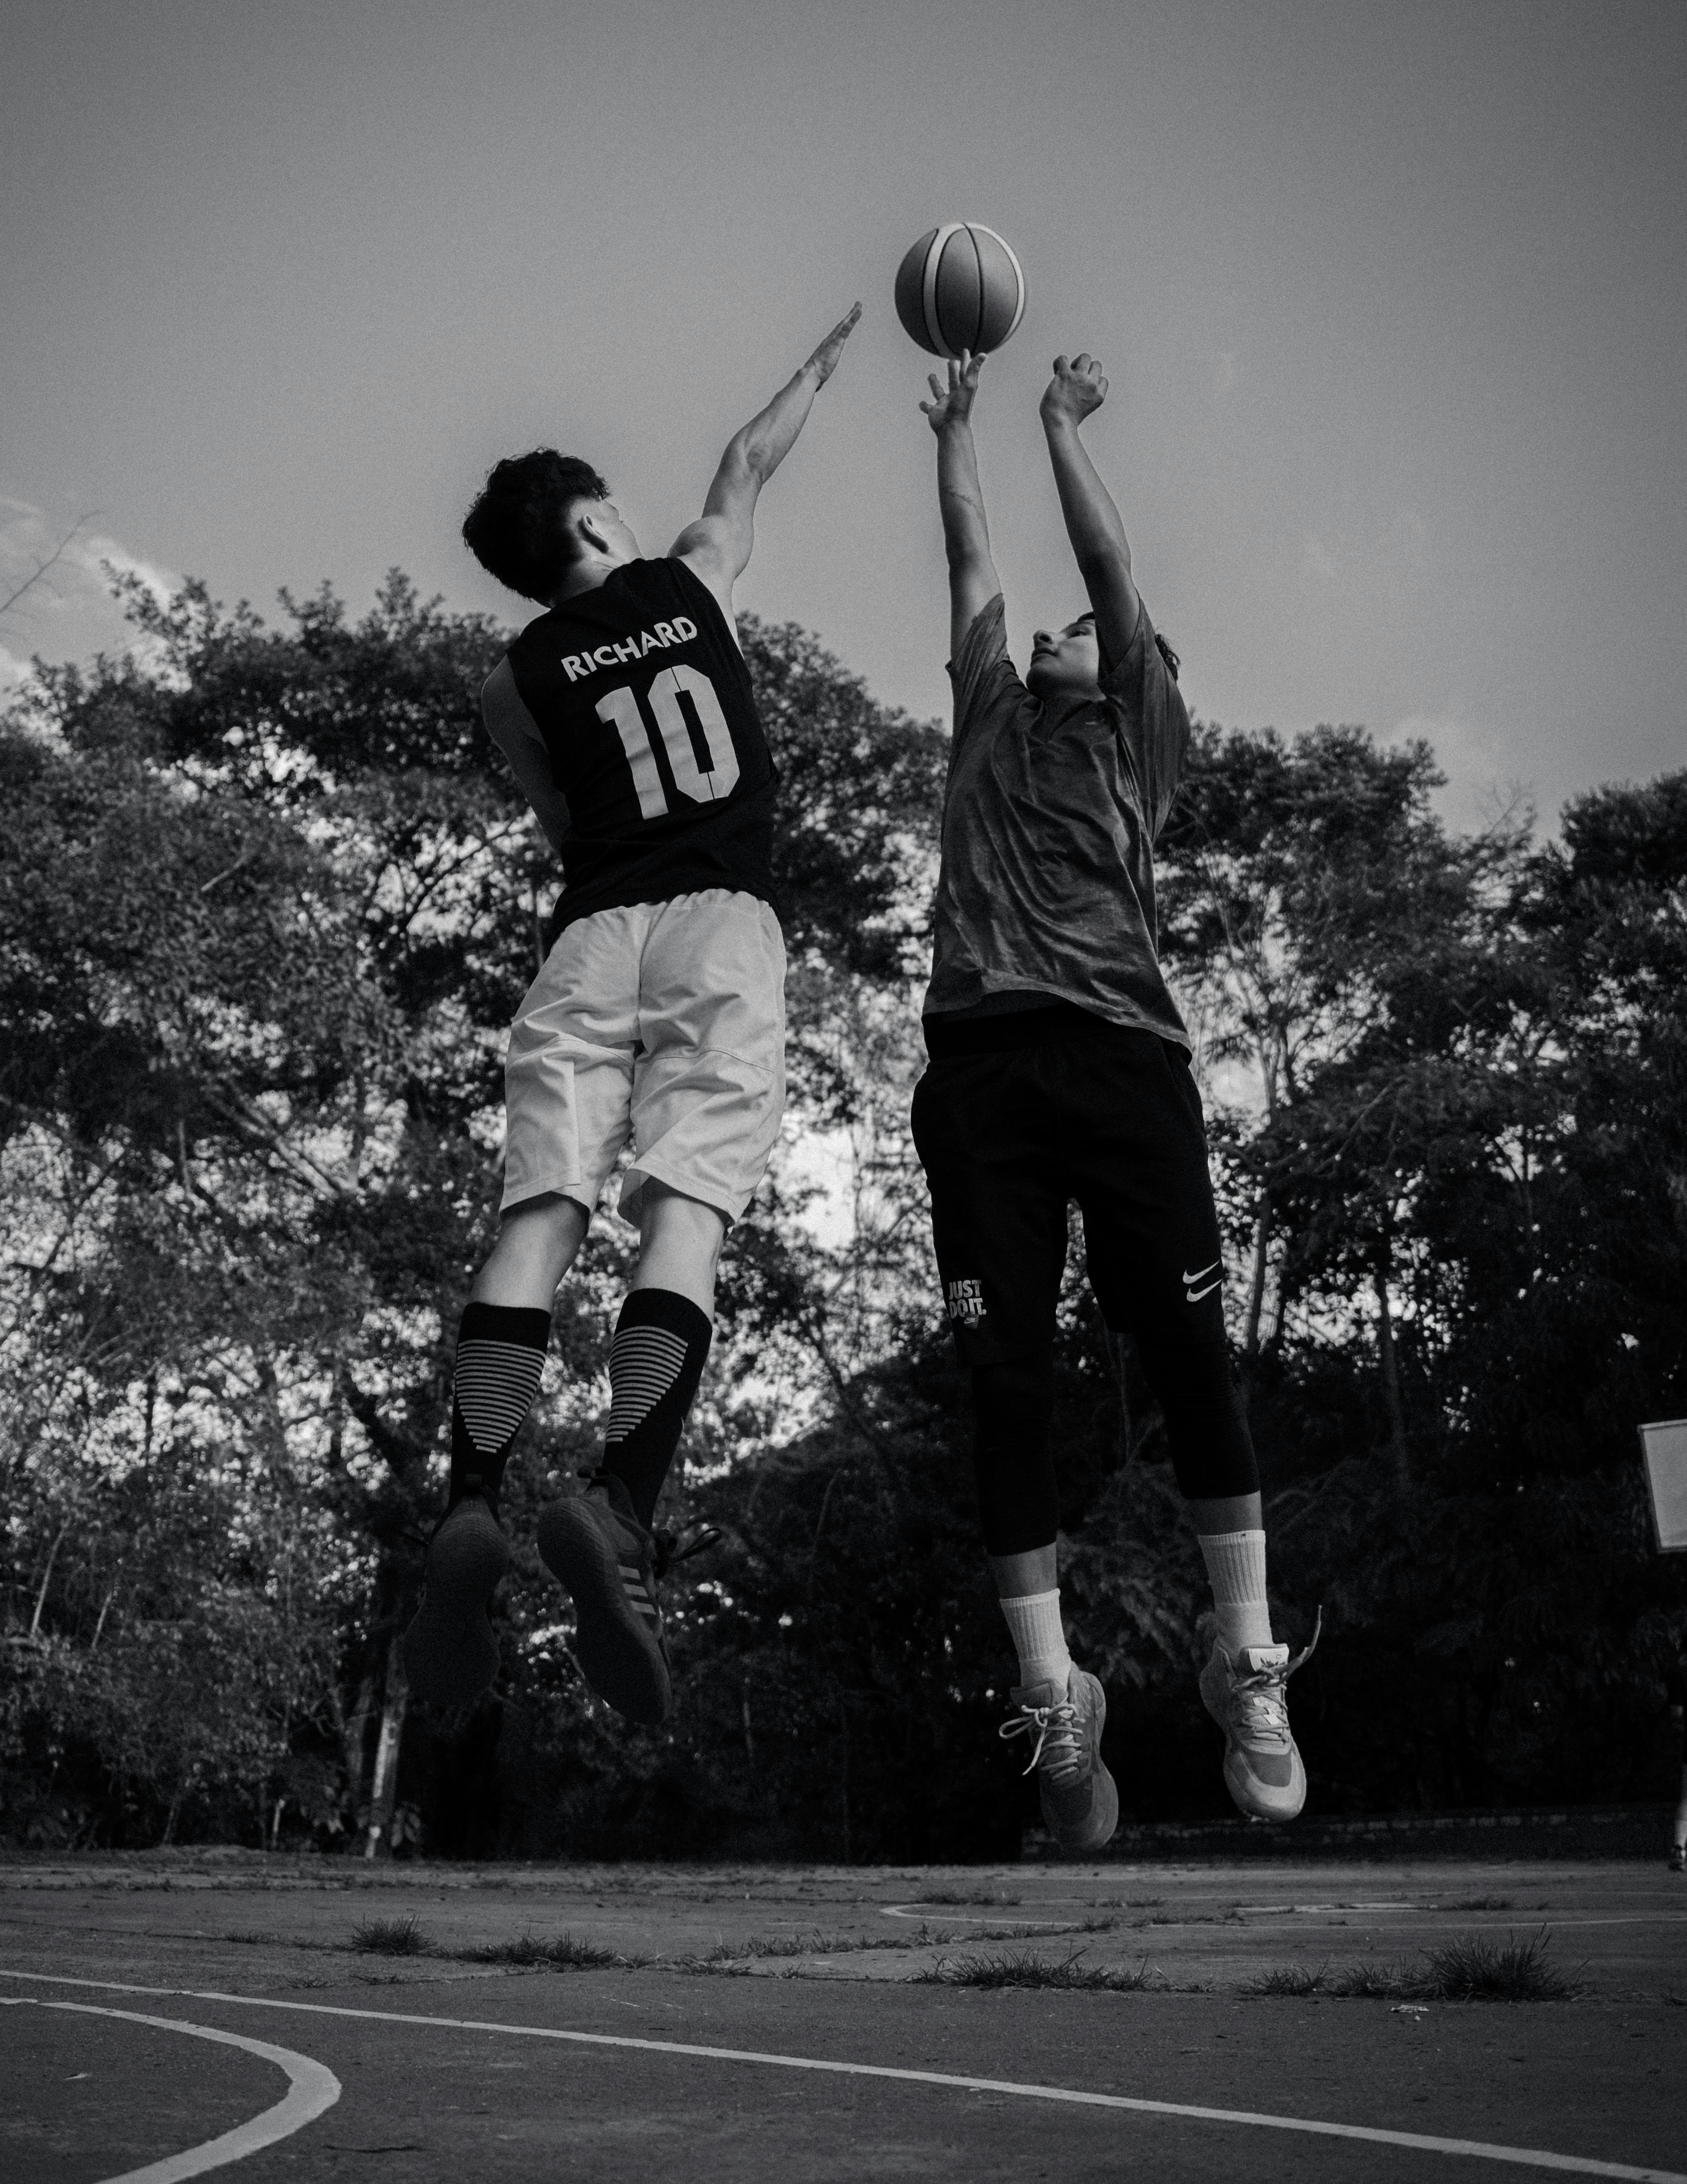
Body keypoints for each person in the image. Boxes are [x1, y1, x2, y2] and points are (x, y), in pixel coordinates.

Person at [403, 302, 862, 1722]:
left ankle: (474, 1498)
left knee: (540, 1212)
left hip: (593, 935)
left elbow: (562, 819)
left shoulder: (508, 678)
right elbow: (744, 468)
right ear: (601, 521)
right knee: (685, 1214)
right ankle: (618, 1507)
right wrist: (816, 367)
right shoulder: (691, 582)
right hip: (720, 924)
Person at [909, 345, 1315, 1851]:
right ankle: (1053, 1690)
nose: (1069, 630)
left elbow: (1102, 556)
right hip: (981, 1071)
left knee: (1192, 1355)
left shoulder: (1142, 732)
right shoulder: (988, 719)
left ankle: (1246, 1662)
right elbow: (972, 555)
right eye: (1061, 631)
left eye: (1094, 632)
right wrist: (955, 434)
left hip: (1126, 1062)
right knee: (1003, 1378)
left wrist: (1056, 422)